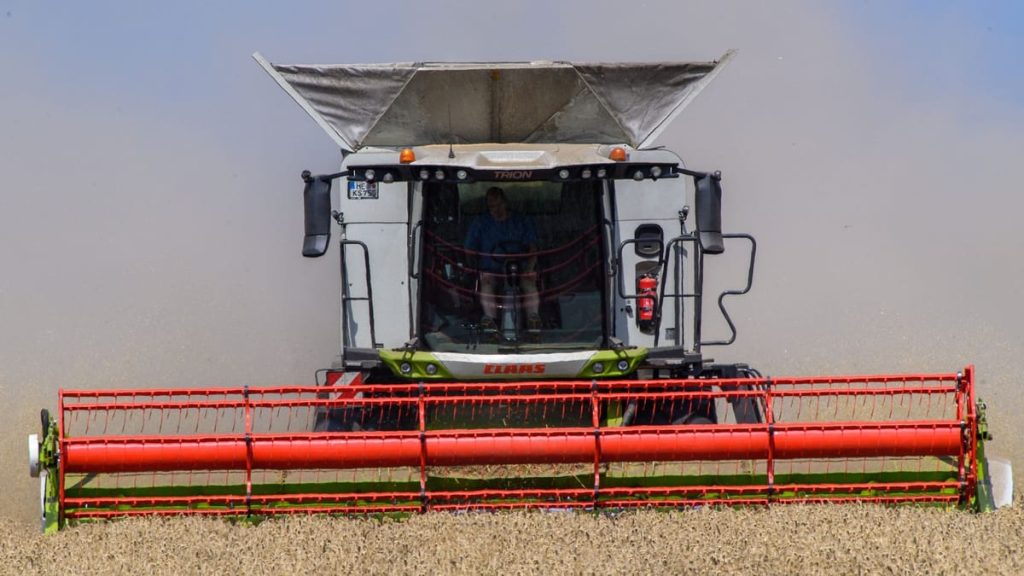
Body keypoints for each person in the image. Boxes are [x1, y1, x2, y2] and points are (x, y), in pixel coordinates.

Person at [464, 186, 541, 332]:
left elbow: (533, 248)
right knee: (486, 284)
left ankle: (533, 320)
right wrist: (475, 270)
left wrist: (530, 268)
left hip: (519, 269)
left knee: (529, 284)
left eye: (499, 205)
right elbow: (468, 249)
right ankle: (490, 322)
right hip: (491, 270)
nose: (496, 209)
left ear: (506, 202)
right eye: (492, 206)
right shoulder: (480, 223)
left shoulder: (521, 221)